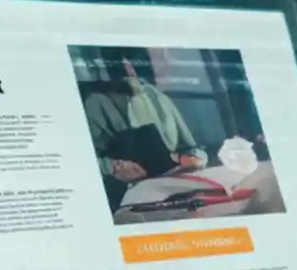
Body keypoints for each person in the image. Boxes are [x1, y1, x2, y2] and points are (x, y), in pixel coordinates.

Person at [84, 49, 207, 185]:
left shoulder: (156, 97)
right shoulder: (96, 103)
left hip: (178, 180)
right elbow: (82, 160)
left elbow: (193, 149)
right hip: (134, 189)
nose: (127, 69)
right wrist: (114, 167)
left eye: (130, 62)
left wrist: (193, 158)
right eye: (119, 63)